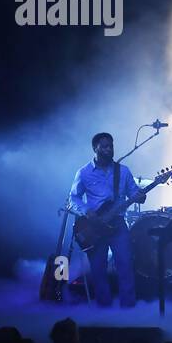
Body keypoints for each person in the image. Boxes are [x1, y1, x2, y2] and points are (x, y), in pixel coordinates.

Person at [69, 132, 147, 307]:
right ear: (95, 148)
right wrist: (87, 211)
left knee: (126, 265)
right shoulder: (84, 172)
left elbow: (133, 192)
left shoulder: (123, 171)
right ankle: (104, 309)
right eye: (104, 146)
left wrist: (140, 196)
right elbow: (73, 198)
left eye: (111, 146)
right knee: (98, 269)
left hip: (117, 224)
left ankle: (128, 307)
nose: (109, 149)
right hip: (94, 226)